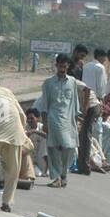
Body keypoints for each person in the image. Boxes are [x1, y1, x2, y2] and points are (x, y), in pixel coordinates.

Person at [39, 54, 81, 187]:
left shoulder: (72, 82)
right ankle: (56, 177)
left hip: (68, 120)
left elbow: (74, 103)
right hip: (53, 119)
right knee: (53, 148)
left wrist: (76, 121)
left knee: (69, 147)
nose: (62, 69)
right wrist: (45, 123)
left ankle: (63, 173)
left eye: (65, 66)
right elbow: (45, 104)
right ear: (56, 66)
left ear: (68, 66)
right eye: (60, 66)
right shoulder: (48, 83)